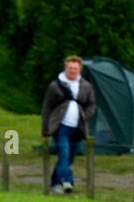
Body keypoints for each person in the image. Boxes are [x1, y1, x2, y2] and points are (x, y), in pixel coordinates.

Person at [41, 55, 96, 194]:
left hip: (77, 128)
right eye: (70, 68)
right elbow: (47, 106)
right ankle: (67, 181)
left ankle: (54, 183)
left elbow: (91, 104)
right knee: (64, 154)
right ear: (66, 68)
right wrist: (45, 127)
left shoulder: (86, 86)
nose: (72, 71)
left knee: (69, 158)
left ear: (79, 70)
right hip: (61, 127)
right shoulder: (55, 85)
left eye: (75, 68)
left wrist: (85, 116)